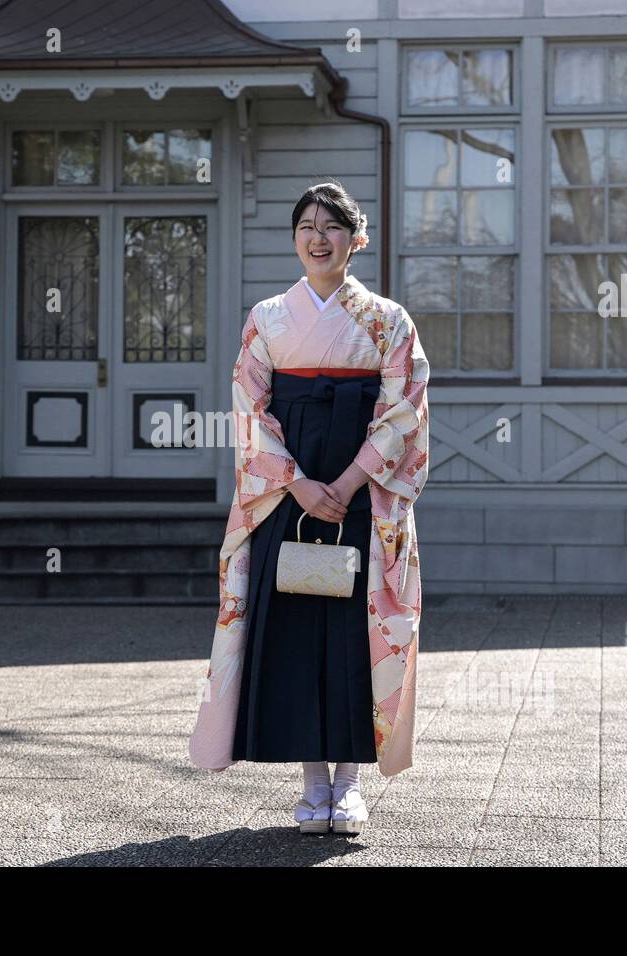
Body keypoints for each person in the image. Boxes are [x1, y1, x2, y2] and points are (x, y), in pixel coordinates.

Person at [188, 180, 431, 837]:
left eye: (332, 226)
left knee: (355, 638)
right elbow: (249, 407)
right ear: (294, 239)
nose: (317, 237)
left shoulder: (388, 320)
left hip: (361, 499)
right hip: (287, 500)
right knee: (295, 639)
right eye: (305, 227)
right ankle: (312, 783)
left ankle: (349, 785)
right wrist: (297, 485)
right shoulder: (268, 316)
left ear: (358, 239)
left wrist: (347, 485)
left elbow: (403, 411)